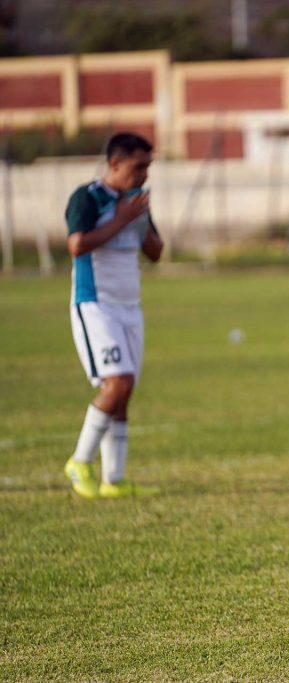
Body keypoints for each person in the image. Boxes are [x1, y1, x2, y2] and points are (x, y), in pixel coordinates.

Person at [63, 132, 163, 499]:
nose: (144, 175)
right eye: (139, 167)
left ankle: (114, 479)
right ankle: (79, 461)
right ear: (115, 163)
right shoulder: (87, 198)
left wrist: (141, 217)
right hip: (96, 304)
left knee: (125, 390)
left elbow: (155, 253)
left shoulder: (135, 203)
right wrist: (120, 219)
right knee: (116, 383)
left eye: (148, 167)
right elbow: (76, 245)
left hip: (129, 306)